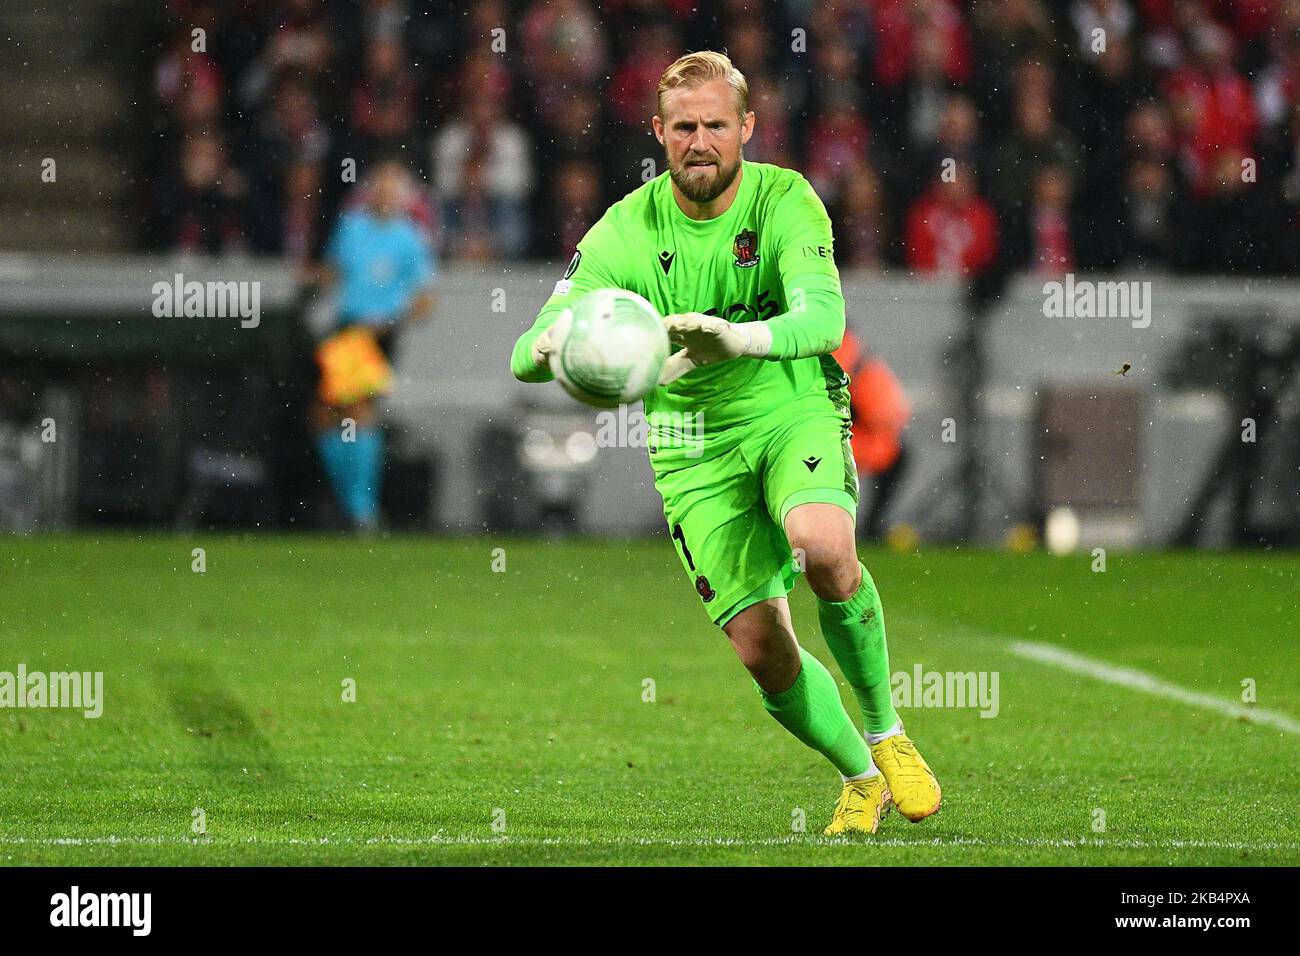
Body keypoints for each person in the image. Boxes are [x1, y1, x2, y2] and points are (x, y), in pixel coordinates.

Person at [510, 52, 940, 836]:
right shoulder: (625, 228)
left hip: (786, 403)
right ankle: (860, 776)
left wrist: (737, 339)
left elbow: (824, 323)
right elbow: (526, 349)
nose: (699, 140)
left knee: (823, 547)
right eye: (683, 127)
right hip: (688, 442)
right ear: (659, 133)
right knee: (759, 647)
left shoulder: (786, 200)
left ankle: (888, 732)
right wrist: (555, 348)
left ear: (746, 126)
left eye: (715, 124)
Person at [309, 160, 435, 531]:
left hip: (380, 334)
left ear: (404, 196)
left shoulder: (410, 237)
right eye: (380, 185)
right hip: (346, 330)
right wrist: (313, 278)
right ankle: (350, 503)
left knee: (359, 411)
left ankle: (361, 508)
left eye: (393, 187)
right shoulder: (351, 226)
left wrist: (394, 319)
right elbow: (334, 271)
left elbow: (425, 298)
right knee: (325, 416)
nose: (385, 194)